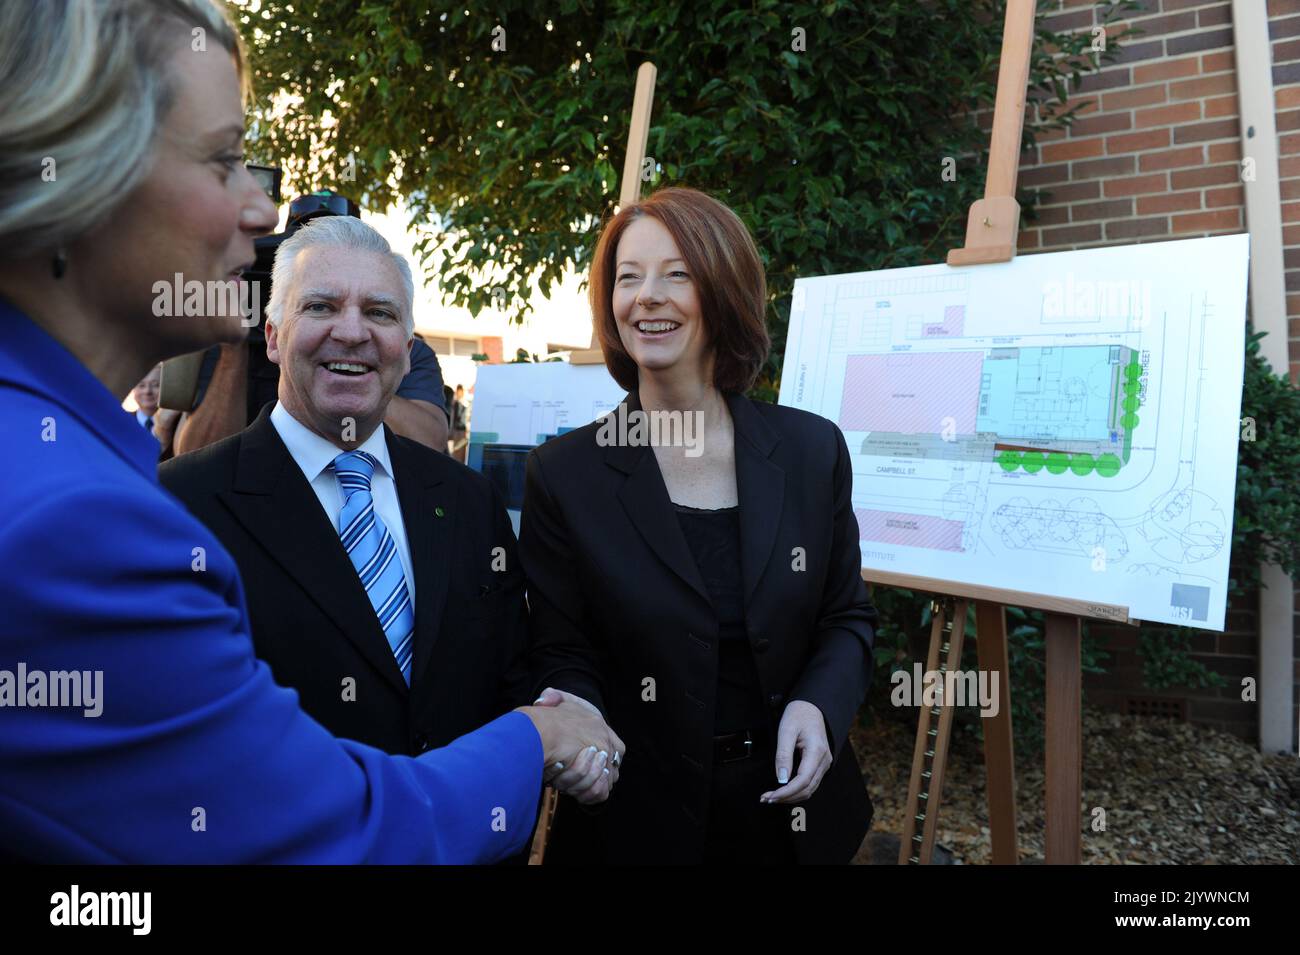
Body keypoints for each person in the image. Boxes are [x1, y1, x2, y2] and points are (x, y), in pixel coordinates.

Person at [0, 0, 620, 863]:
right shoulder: (89, 524)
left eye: (379, 311)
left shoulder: (461, 502)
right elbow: (325, 835)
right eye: (224, 162)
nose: (261, 210)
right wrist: (533, 741)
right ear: (79, 180)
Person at [519, 187, 879, 864]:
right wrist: (585, 728)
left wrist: (818, 706)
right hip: (634, 824)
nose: (647, 296)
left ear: (723, 289)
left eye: (676, 273)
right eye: (629, 278)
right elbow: (560, 648)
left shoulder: (810, 451)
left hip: (793, 822)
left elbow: (846, 618)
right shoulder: (565, 474)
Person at [158, 217, 548, 781]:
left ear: (406, 350)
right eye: (320, 307)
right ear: (272, 336)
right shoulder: (183, 508)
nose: (352, 332)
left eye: (379, 312)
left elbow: (511, 687)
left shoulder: (469, 502)